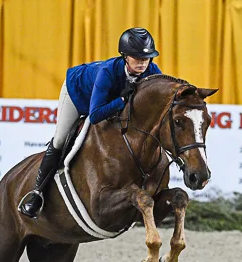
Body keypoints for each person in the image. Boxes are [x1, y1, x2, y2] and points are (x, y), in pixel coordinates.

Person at [18, 27, 163, 219]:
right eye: (137, 57)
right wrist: (121, 101)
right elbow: (94, 116)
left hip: (105, 99)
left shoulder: (152, 71)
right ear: (125, 56)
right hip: (78, 94)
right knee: (61, 139)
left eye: (147, 58)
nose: (143, 63)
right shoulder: (107, 72)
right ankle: (36, 194)